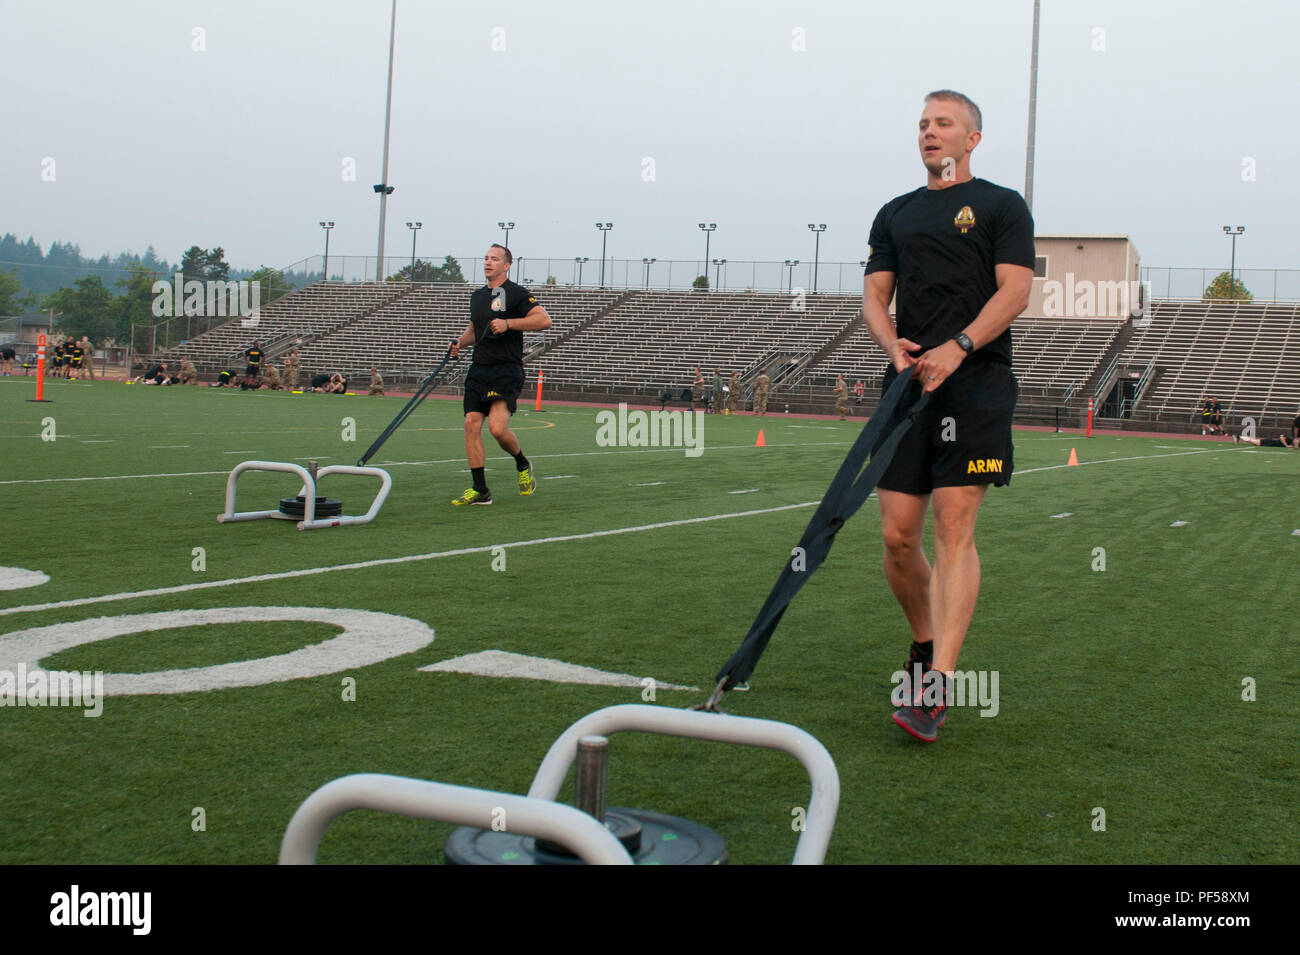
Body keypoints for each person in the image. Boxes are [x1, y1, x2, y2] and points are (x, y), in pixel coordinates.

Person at [862, 89, 1035, 742]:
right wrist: (892, 345)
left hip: (976, 383)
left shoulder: (1000, 205)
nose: (930, 133)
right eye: (923, 124)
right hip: (907, 384)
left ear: (972, 139)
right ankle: (924, 641)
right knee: (897, 536)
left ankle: (935, 686)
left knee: (951, 526)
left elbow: (1015, 291)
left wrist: (960, 346)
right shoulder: (895, 214)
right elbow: (875, 297)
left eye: (943, 124)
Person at [448, 244, 551, 506]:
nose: (488, 262)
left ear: (506, 265)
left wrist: (509, 323)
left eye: (494, 259)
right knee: (471, 423)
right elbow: (475, 329)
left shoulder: (516, 293)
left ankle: (522, 462)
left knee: (497, 428)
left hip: (506, 370)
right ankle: (480, 490)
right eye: (485, 258)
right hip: (479, 369)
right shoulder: (478, 296)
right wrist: (460, 343)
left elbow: (544, 321)